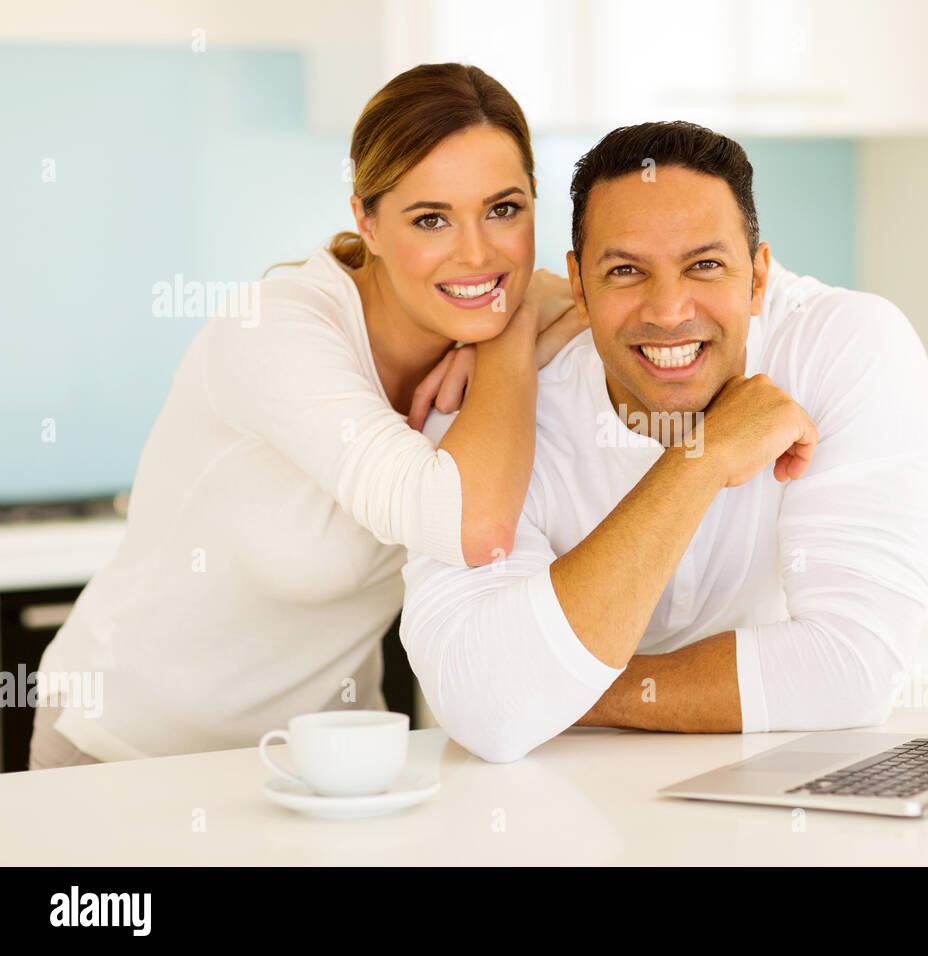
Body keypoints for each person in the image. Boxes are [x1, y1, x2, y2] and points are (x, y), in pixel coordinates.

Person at [28, 63, 583, 768]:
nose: (477, 252)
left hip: (328, 764)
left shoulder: (480, 320)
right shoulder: (276, 331)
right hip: (128, 752)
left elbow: (601, 300)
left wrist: (518, 318)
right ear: (367, 222)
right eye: (431, 218)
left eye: (503, 209)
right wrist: (513, 328)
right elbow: (472, 524)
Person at [399, 121, 928, 763]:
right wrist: (702, 459)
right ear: (577, 286)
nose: (667, 309)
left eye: (705, 265)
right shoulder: (486, 414)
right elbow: (487, 710)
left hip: (759, 783)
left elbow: (854, 670)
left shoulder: (847, 346)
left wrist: (556, 686)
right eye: (626, 270)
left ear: (758, 276)